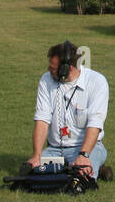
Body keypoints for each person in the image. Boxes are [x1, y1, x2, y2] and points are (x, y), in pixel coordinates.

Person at [26, 41, 110, 181]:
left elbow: (95, 123)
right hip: (55, 148)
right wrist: (37, 156)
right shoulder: (46, 80)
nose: (48, 69)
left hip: (87, 148)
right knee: (32, 175)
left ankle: (91, 165)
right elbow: (42, 120)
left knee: (81, 177)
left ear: (67, 69)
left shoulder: (97, 81)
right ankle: (97, 169)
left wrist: (83, 156)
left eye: (53, 68)